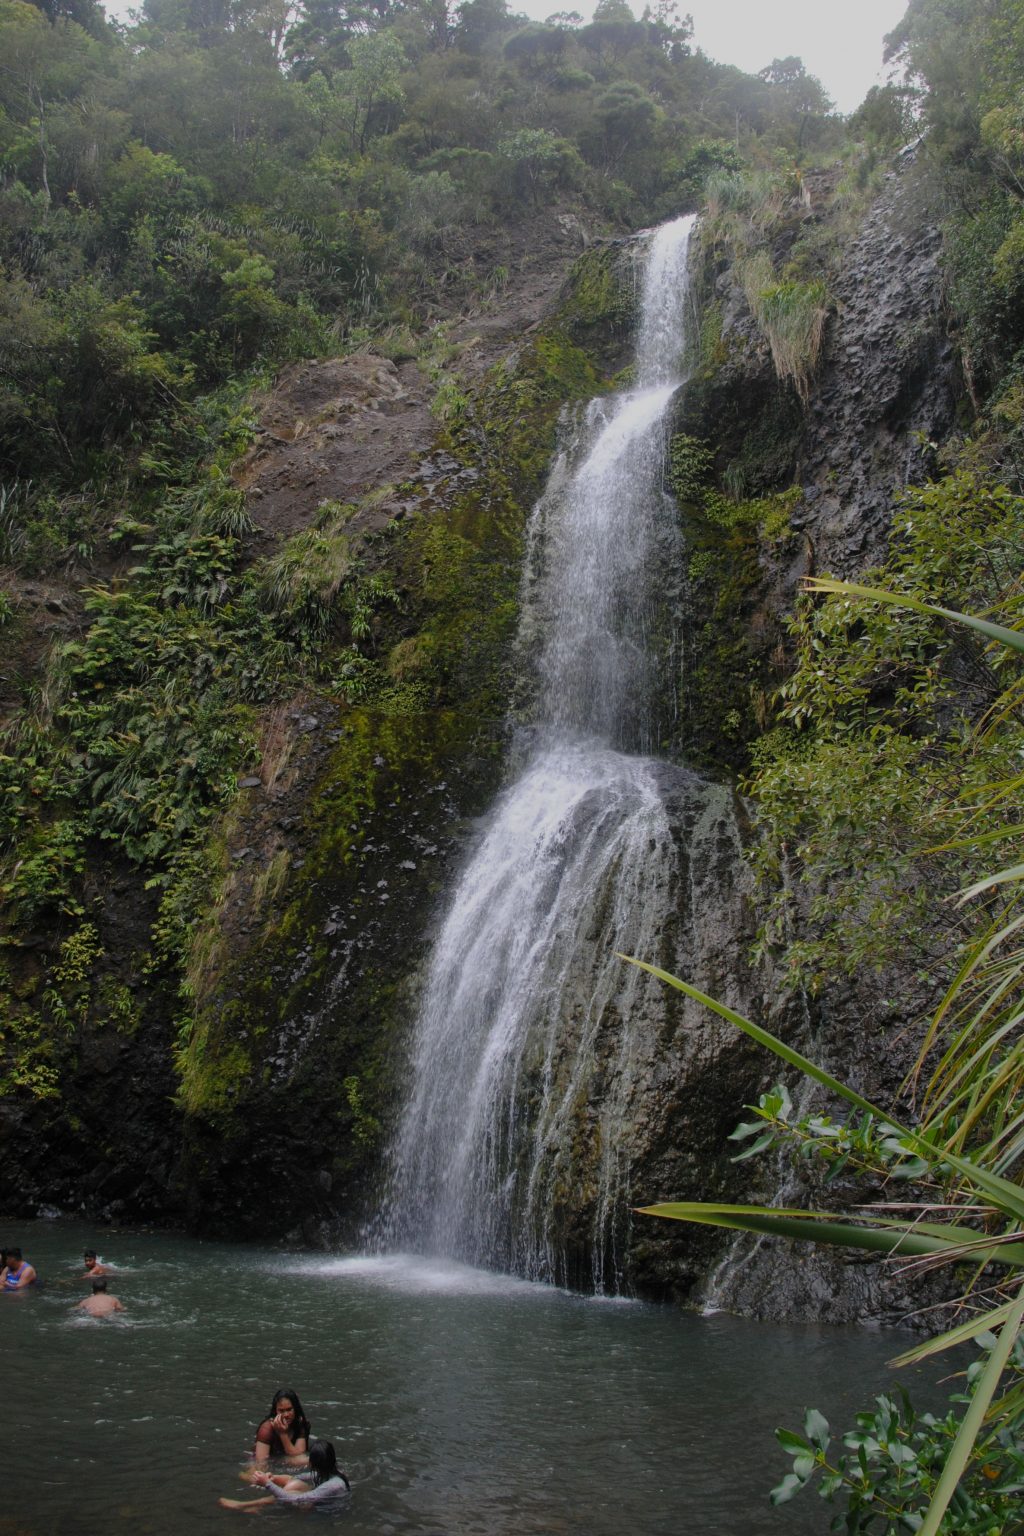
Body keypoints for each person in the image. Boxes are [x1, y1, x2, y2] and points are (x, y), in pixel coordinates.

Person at [220, 1440, 350, 1512]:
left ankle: (247, 1505)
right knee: (295, 1483)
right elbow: (298, 1477)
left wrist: (267, 1484)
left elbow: (296, 1499)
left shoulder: (333, 1485)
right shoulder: (328, 1471)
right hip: (317, 1500)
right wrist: (273, 1478)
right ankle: (257, 1506)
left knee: (291, 1492)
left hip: (324, 1512)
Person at [253, 1389, 311, 1463]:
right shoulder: (266, 1429)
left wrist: (283, 1434)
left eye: (289, 1409)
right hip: (268, 1461)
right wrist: (282, 1433)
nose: (286, 1415)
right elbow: (261, 1462)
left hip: (285, 1460)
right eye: (281, 1411)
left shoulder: (300, 1424)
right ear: (276, 1411)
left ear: (295, 1409)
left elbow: (299, 1455)